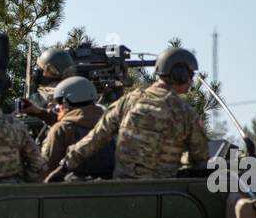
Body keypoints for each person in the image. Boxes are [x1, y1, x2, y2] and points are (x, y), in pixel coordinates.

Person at [52, 46, 209, 181]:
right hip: (165, 193)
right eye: (190, 75)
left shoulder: (129, 101)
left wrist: (65, 164)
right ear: (180, 75)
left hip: (125, 190)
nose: (191, 80)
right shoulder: (185, 113)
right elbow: (200, 157)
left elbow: (97, 137)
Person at [40, 76, 107, 175]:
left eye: (59, 102)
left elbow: (45, 168)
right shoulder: (110, 125)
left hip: (70, 188)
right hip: (113, 188)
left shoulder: (61, 129)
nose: (57, 107)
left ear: (66, 103)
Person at [19, 47, 77, 124]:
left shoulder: (38, 99)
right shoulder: (79, 95)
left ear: (50, 71)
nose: (36, 71)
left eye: (40, 68)